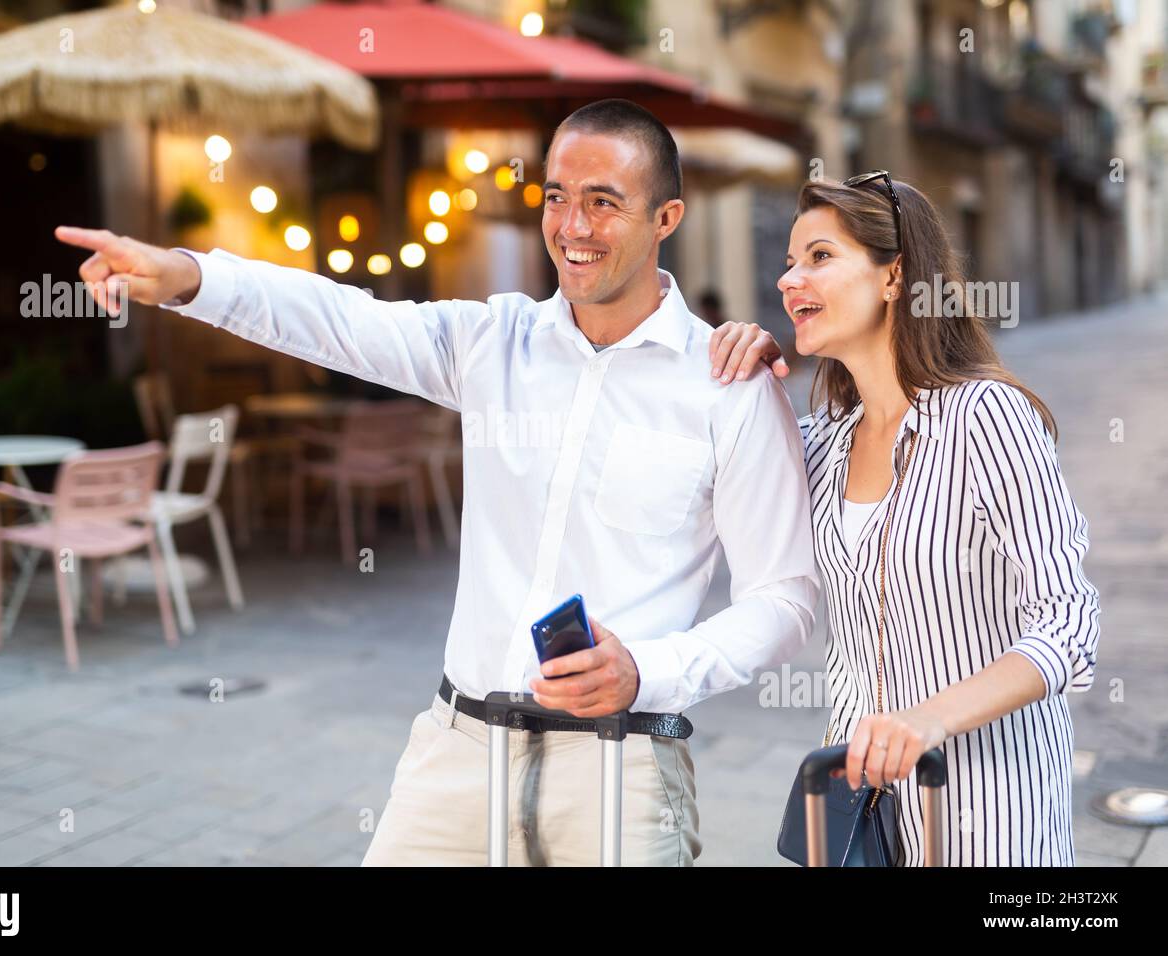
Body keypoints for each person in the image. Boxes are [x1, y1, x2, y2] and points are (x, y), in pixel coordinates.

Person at [56, 98, 819, 866]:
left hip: (619, 769)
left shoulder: (730, 383)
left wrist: (647, 670)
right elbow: (340, 320)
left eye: (603, 202)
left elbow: (784, 599)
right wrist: (188, 276)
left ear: (667, 217)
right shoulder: (492, 340)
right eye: (556, 196)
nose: (572, 226)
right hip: (455, 756)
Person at [708, 173, 1101, 865]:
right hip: (856, 810)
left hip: (986, 812)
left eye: (820, 256)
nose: (789, 279)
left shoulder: (986, 416)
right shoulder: (820, 441)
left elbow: (1069, 625)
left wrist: (927, 720)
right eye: (789, 262)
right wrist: (746, 385)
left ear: (895, 277)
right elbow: (703, 481)